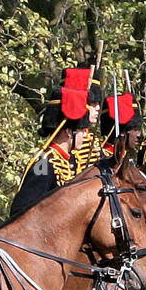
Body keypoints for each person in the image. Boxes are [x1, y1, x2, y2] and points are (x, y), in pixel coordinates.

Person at [10, 83, 92, 218]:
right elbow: (22, 209)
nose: (86, 135)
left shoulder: (69, 160)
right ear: (69, 132)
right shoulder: (43, 163)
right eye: (82, 131)